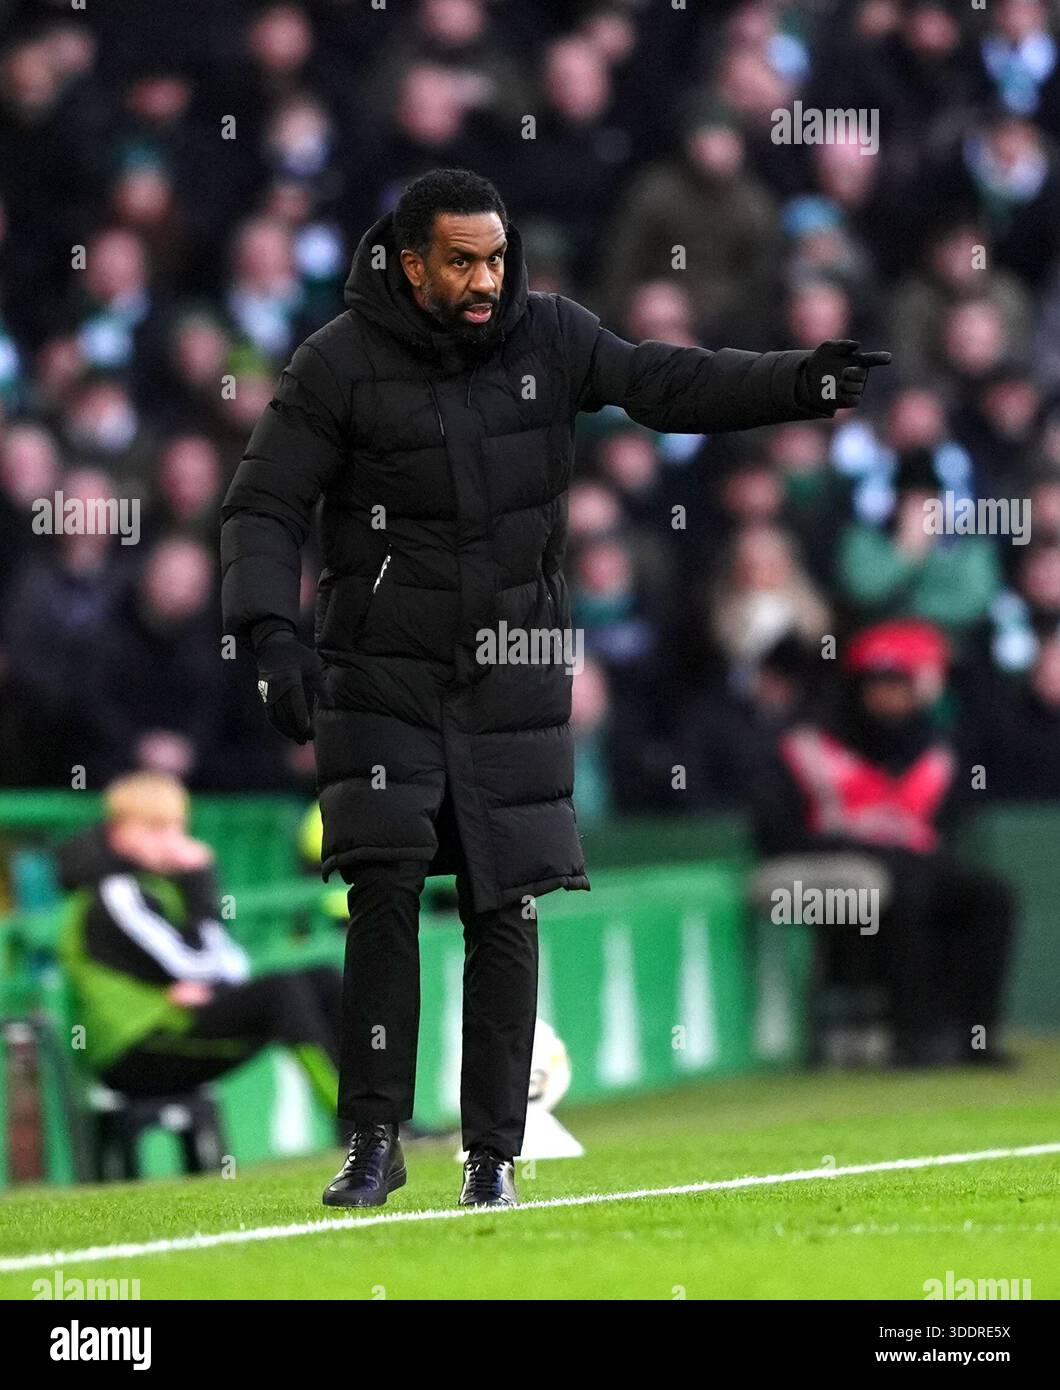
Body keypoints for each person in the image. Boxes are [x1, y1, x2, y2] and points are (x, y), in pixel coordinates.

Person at [219, 166, 891, 1209]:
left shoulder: (552, 336)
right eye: (461, 262)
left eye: (495, 258)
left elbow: (666, 382)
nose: (486, 279)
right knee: (382, 894)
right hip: (379, 671)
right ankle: (373, 1142)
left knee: (505, 904)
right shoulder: (337, 364)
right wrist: (268, 633)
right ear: (409, 264)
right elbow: (262, 507)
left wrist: (795, 381)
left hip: (511, 673)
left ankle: (493, 1152)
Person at [751, 621, 1014, 1067]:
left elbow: (948, 823)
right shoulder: (808, 745)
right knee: (899, 894)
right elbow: (776, 832)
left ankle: (975, 1038)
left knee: (991, 897)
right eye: (879, 685)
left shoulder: (931, 745)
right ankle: (913, 1037)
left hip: (913, 864)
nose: (890, 697)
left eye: (900, 685)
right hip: (837, 863)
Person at [57, 772, 342, 1118]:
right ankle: (357, 1126)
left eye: (176, 828)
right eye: (155, 829)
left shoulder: (159, 885)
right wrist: (200, 883)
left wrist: (207, 982)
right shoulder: (114, 892)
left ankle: (380, 1118)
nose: (171, 841)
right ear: (119, 834)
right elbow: (201, 965)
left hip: (173, 1025)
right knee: (281, 992)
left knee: (322, 979)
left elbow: (232, 965)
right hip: (133, 1049)